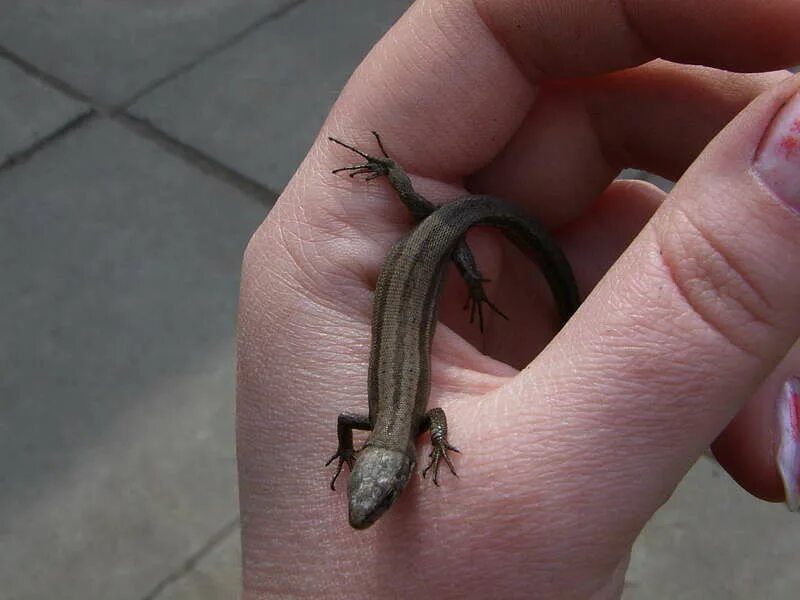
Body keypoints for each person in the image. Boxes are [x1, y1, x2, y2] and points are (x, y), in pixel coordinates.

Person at [236, 1, 800, 597]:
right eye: (374, 499)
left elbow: (420, 420)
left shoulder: (409, 424)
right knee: (441, 224)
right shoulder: (383, 425)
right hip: (425, 247)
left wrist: (471, 285)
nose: (366, 507)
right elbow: (354, 424)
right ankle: (438, 219)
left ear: (398, 464)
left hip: (438, 243)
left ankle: (461, 252)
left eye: (368, 494)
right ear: (391, 467)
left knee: (452, 232)